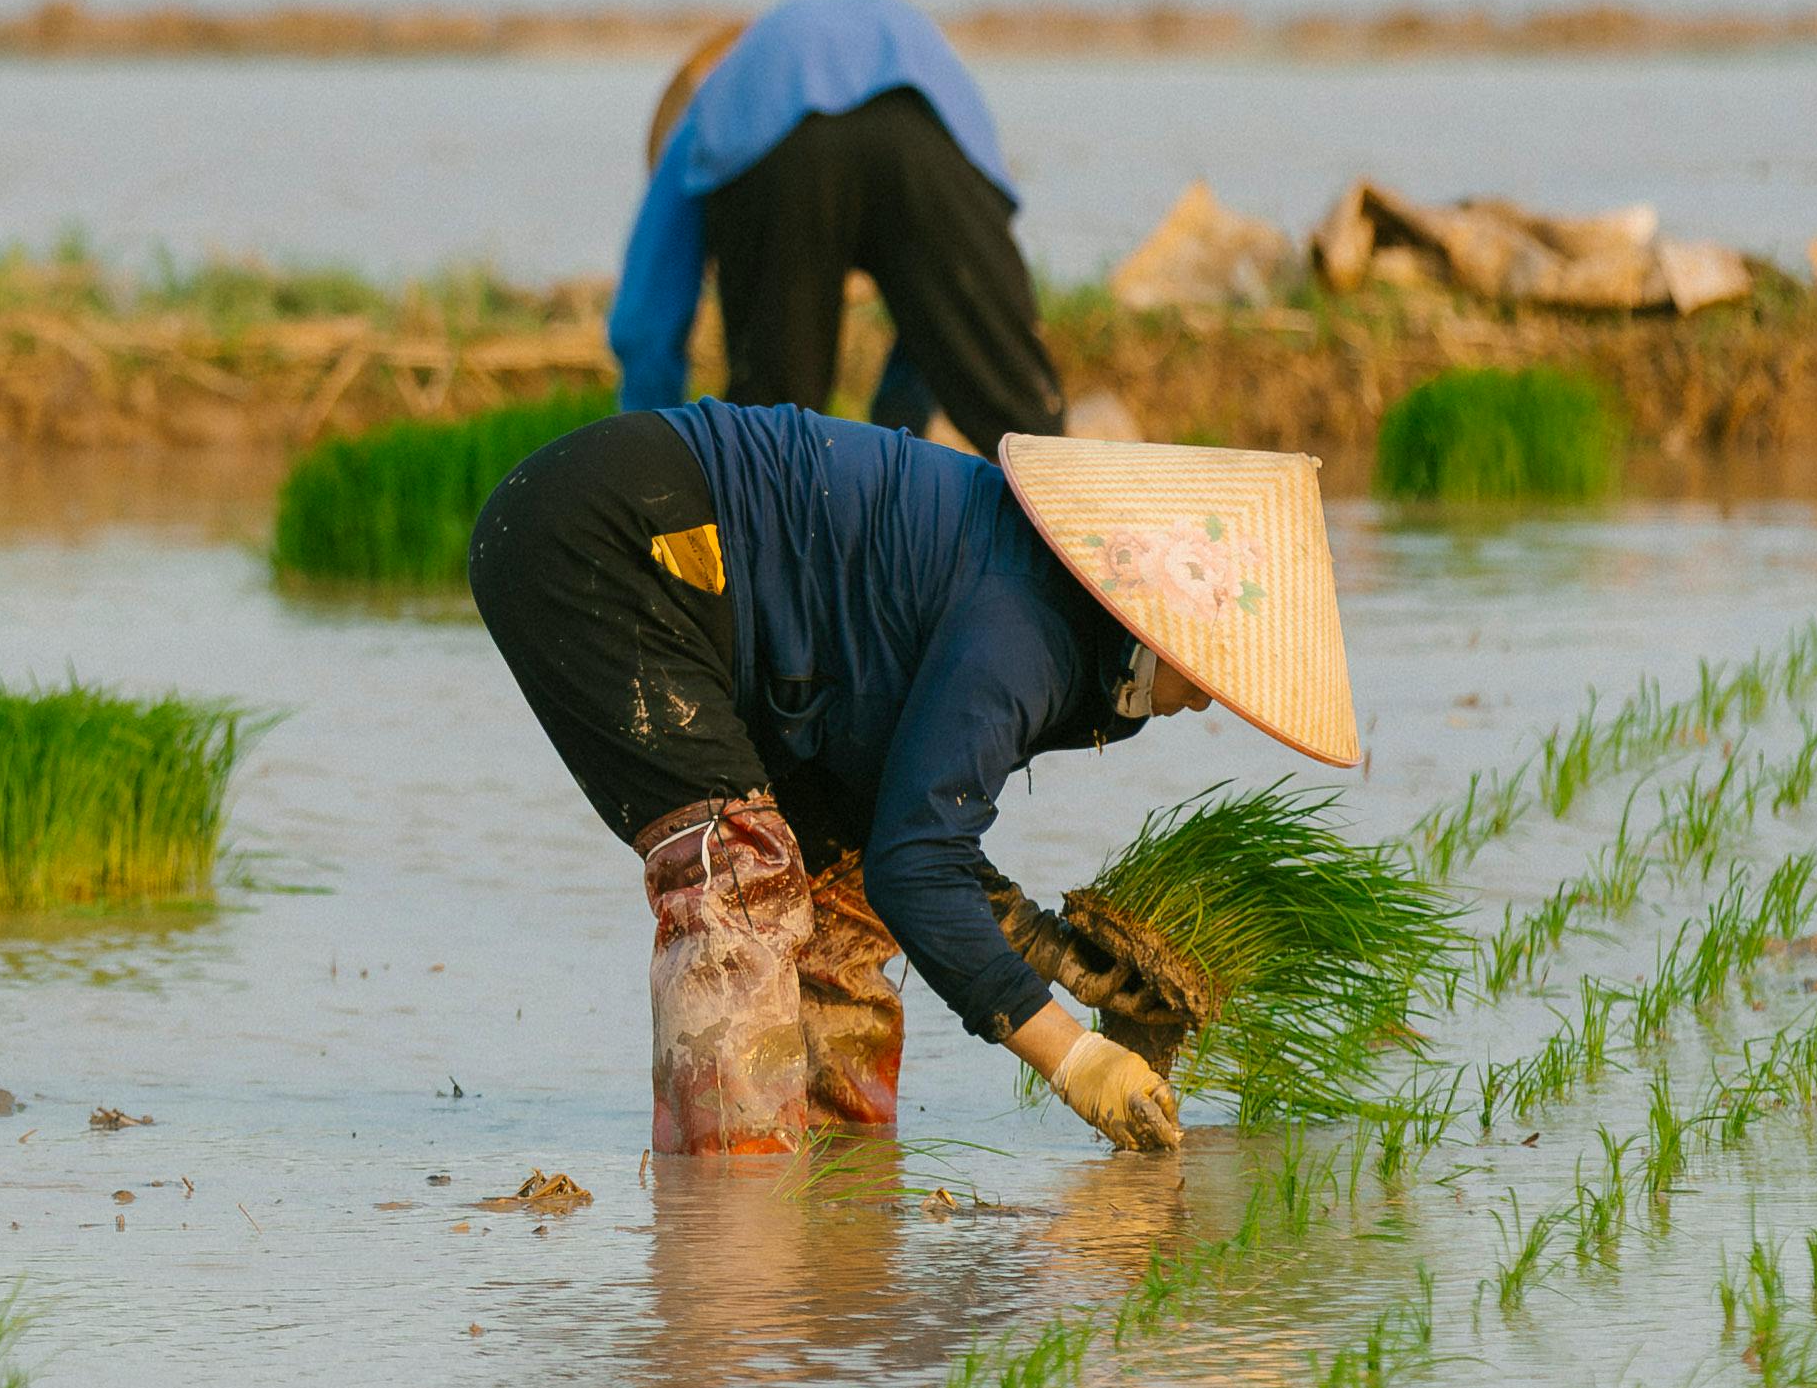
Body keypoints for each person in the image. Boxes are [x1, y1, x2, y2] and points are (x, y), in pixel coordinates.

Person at [468, 400, 1362, 1161]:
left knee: (839, 912)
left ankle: (842, 1233)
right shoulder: (1029, 626)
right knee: (740, 881)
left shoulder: (1071, 647)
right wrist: (1073, 1056)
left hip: (739, 618)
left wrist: (1065, 959)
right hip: (613, 537)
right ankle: (725, 1254)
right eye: (1209, 673)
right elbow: (919, 861)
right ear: (1160, 623)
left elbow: (909, 832)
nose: (1206, 703)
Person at [610, 0, 1065, 446]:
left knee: (772, 438)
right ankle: (1061, 502)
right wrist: (899, 428)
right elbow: (945, 308)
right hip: (926, 124)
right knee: (1022, 415)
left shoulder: (719, 97)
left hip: (782, 156)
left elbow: (645, 322)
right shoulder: (905, 40)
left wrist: (651, 454)